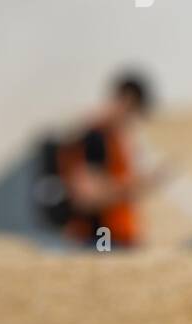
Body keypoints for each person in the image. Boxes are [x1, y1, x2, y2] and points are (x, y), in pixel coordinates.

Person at [39, 75, 162, 249]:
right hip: (100, 237)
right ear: (126, 102)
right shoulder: (94, 137)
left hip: (116, 238)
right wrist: (135, 186)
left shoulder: (113, 140)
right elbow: (87, 196)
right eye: (134, 113)